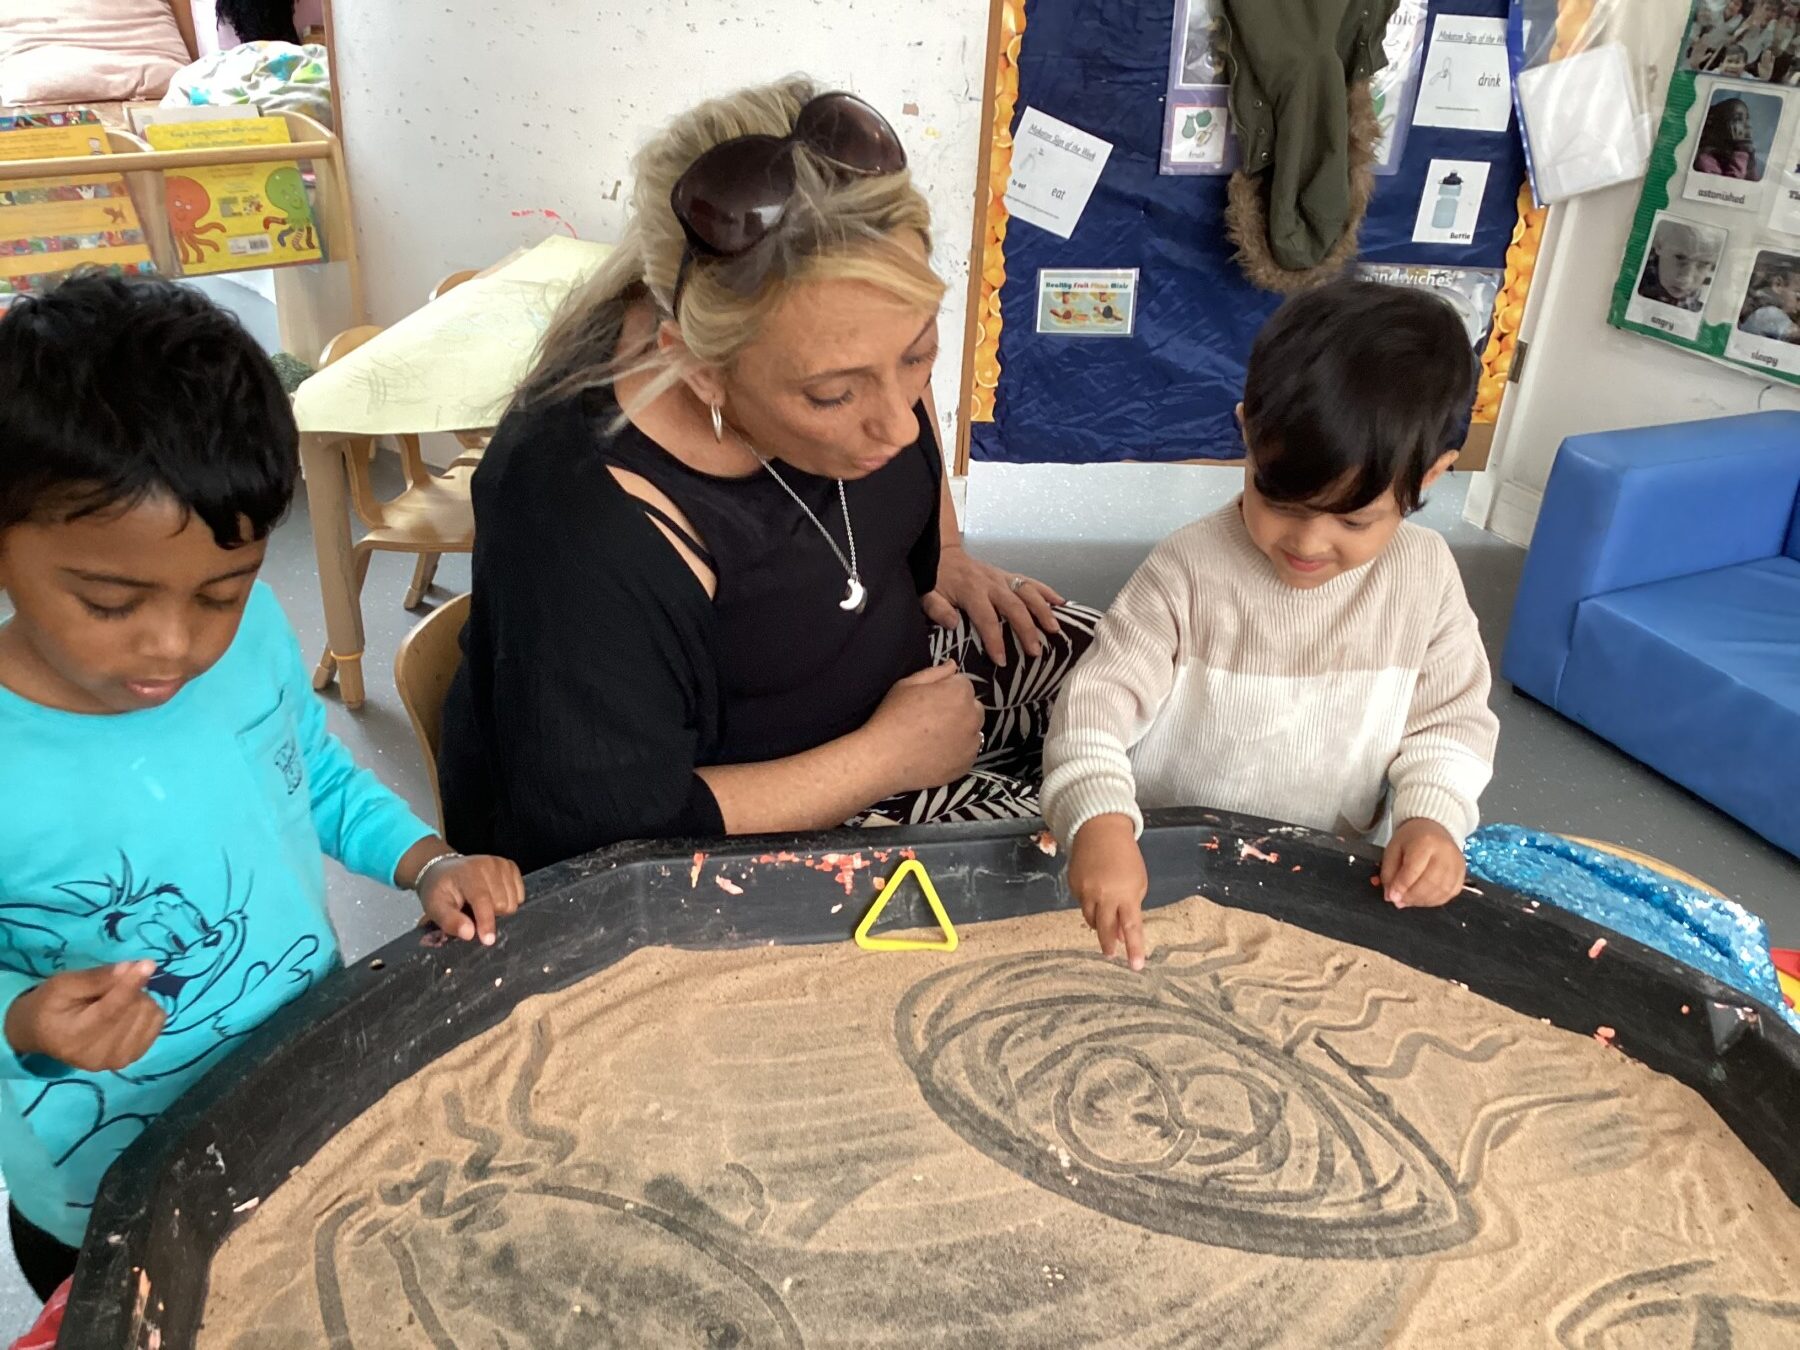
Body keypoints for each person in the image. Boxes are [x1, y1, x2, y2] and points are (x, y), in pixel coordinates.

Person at [0, 273, 524, 1296]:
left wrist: (427, 860)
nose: (173, 644)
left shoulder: (245, 655)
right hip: (100, 1192)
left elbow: (314, 774)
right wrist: (24, 1021)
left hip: (299, 1102)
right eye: (109, 601)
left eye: (222, 593)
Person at [440, 79, 1096, 873]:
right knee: (1066, 865)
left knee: (1152, 688)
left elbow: (886, 391)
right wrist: (882, 760)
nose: (897, 423)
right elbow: (605, 840)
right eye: (833, 393)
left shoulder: (851, 344)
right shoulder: (581, 523)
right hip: (739, 831)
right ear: (701, 369)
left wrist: (943, 550)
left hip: (904, 698)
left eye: (917, 354)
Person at [1043, 282, 1499, 969]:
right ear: (1249, 434)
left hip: (1320, 874)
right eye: (1280, 498)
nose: (1309, 543)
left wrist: (1432, 817)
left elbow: (1449, 726)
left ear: (1431, 476)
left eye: (1354, 519)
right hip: (1157, 863)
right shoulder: (1188, 567)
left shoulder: (1425, 577)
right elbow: (1092, 712)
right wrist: (1099, 819)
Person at [1638, 220, 1716, 311]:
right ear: (1659, 244)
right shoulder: (1634, 271)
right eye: (1680, 257)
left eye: (1704, 264)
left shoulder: (1711, 297)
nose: (1686, 279)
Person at [1694, 95, 1763, 179]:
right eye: (1738, 119)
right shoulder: (1705, 161)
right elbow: (1728, 189)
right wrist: (1740, 152)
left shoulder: (1747, 156)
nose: (1747, 125)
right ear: (1720, 125)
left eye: (1747, 119)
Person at [1738, 257, 1800, 338]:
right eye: (1798, 298)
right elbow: (1795, 335)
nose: (1799, 307)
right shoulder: (1771, 314)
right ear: (1778, 284)